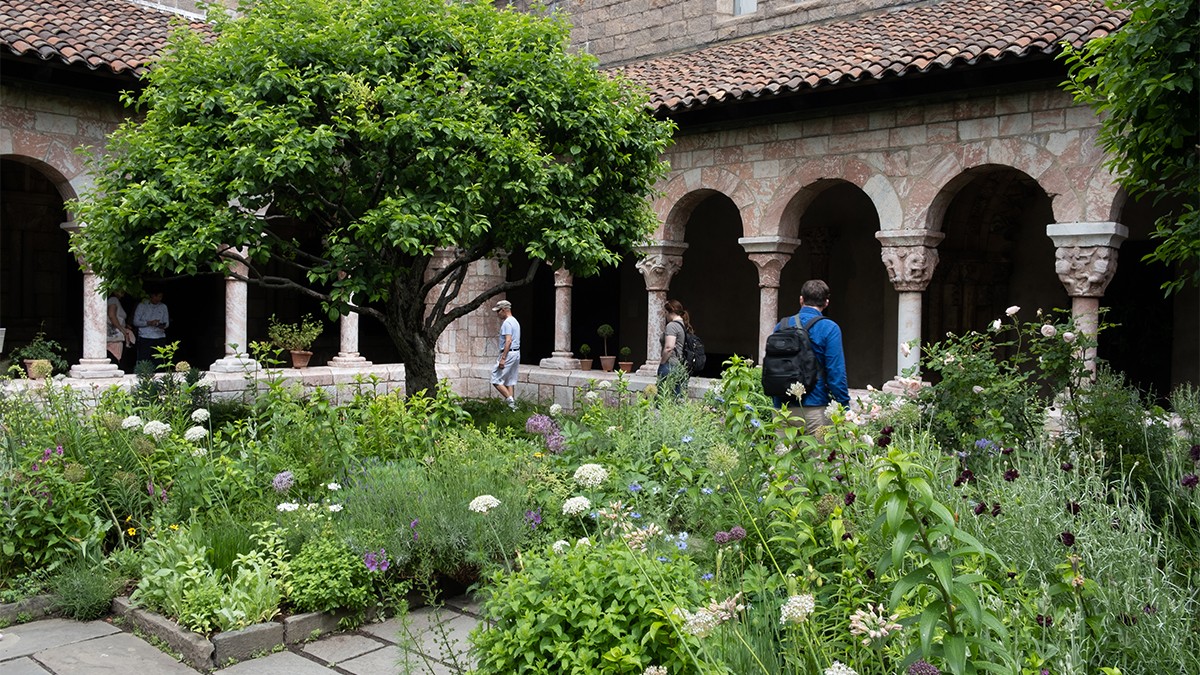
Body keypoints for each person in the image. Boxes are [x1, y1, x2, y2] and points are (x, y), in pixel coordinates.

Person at [776, 279, 849, 432]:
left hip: (782, 409)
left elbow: (774, 364)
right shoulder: (830, 328)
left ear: (801, 299)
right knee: (816, 455)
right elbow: (836, 372)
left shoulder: (781, 325)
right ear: (826, 303)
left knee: (781, 455)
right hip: (814, 408)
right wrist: (844, 406)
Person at [490, 299, 521, 410]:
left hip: (508, 353)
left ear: (503, 310)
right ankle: (511, 408)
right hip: (516, 353)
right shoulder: (515, 321)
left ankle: (511, 402)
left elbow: (508, 340)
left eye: (498, 311)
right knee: (509, 380)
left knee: (495, 379)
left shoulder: (507, 323)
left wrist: (503, 358)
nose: (498, 314)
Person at [657, 299, 691, 398]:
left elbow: (669, 347)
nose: (665, 316)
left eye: (665, 313)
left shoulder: (672, 326)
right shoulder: (683, 325)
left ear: (669, 312)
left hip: (670, 364)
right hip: (680, 365)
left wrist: (662, 362)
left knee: (663, 398)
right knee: (677, 397)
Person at [132, 289, 170, 368]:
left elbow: (167, 323)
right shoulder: (142, 305)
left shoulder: (163, 306)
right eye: (156, 296)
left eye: (160, 297)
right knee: (143, 360)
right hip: (145, 336)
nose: (158, 299)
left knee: (159, 362)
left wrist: (160, 325)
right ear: (151, 296)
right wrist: (149, 323)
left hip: (159, 336)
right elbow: (135, 322)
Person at [106, 291, 135, 368]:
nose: (123, 294)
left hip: (114, 331)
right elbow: (112, 315)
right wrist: (122, 329)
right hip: (114, 333)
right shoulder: (113, 299)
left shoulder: (114, 300)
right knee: (114, 357)